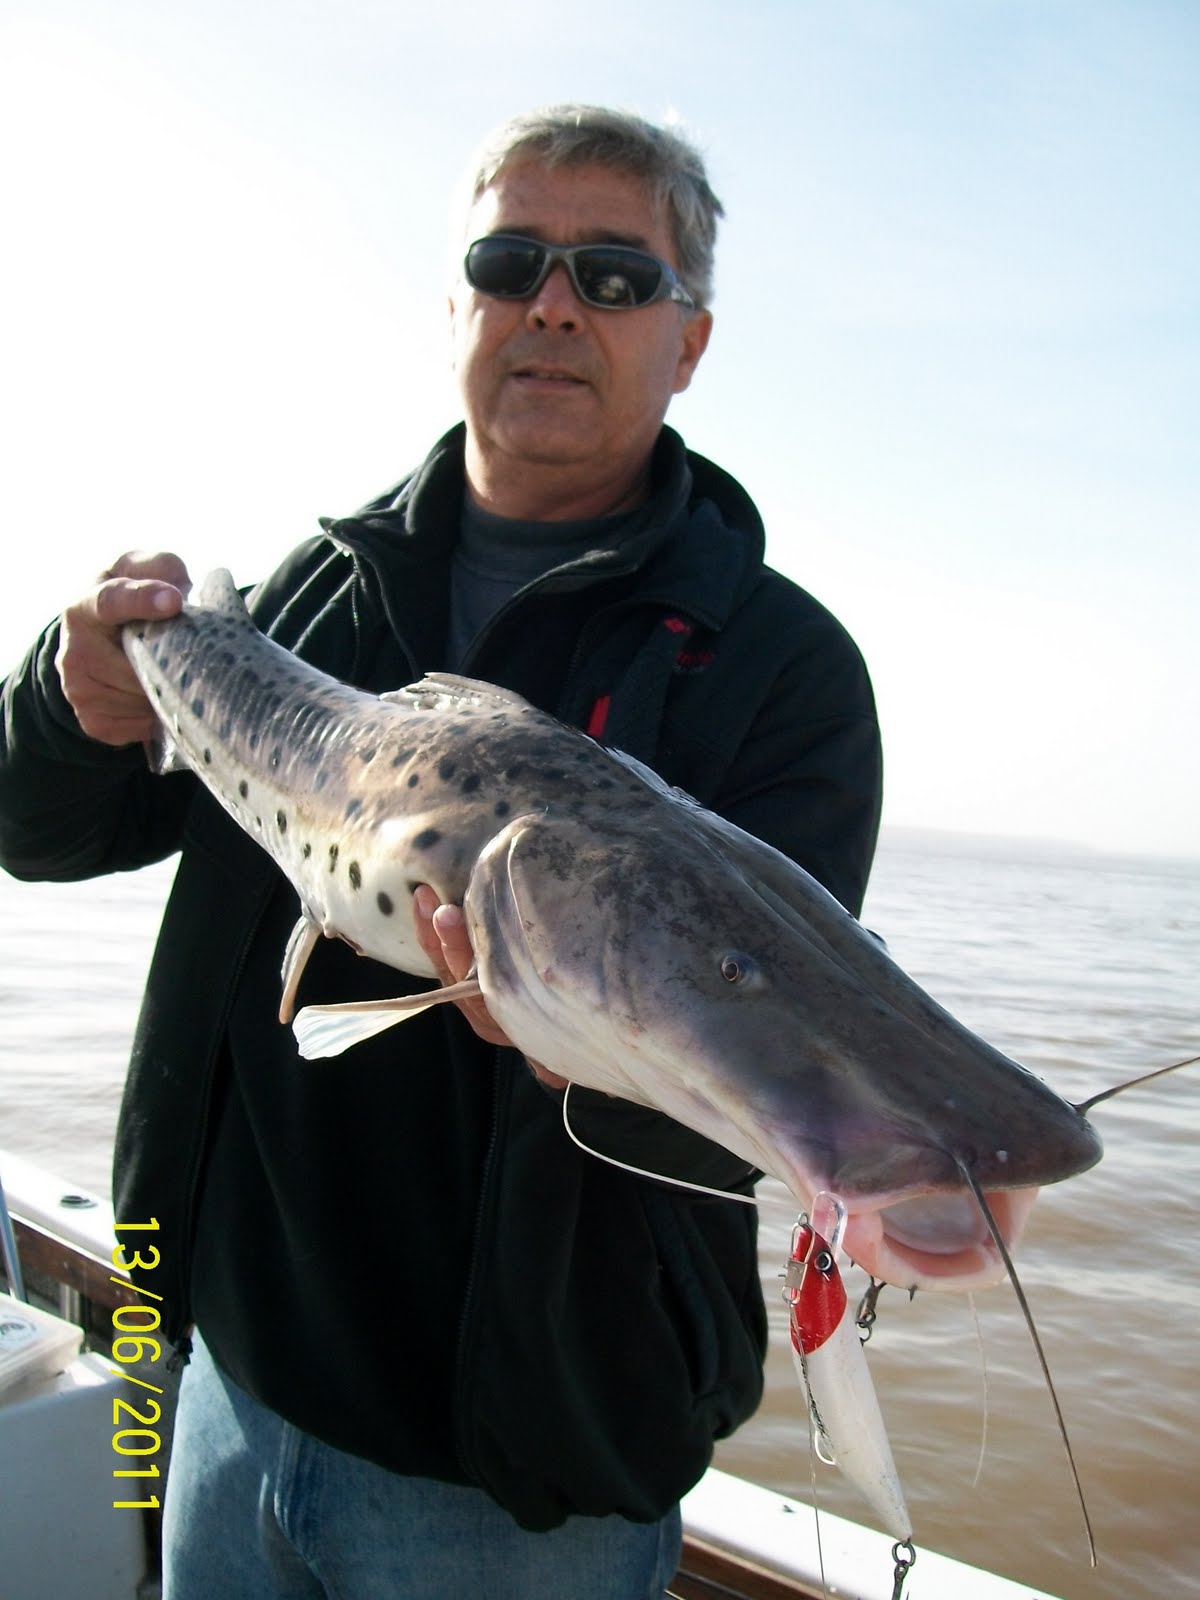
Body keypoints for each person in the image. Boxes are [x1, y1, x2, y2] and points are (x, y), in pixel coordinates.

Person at [0, 105, 882, 1599]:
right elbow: (44, 835)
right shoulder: (307, 594)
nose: (552, 301)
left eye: (613, 275)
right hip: (224, 1369)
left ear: (692, 339)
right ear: (461, 303)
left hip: (521, 1471)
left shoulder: (780, 670)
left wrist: (568, 1030)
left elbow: (759, 1078)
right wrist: (66, 697)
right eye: (509, 258)